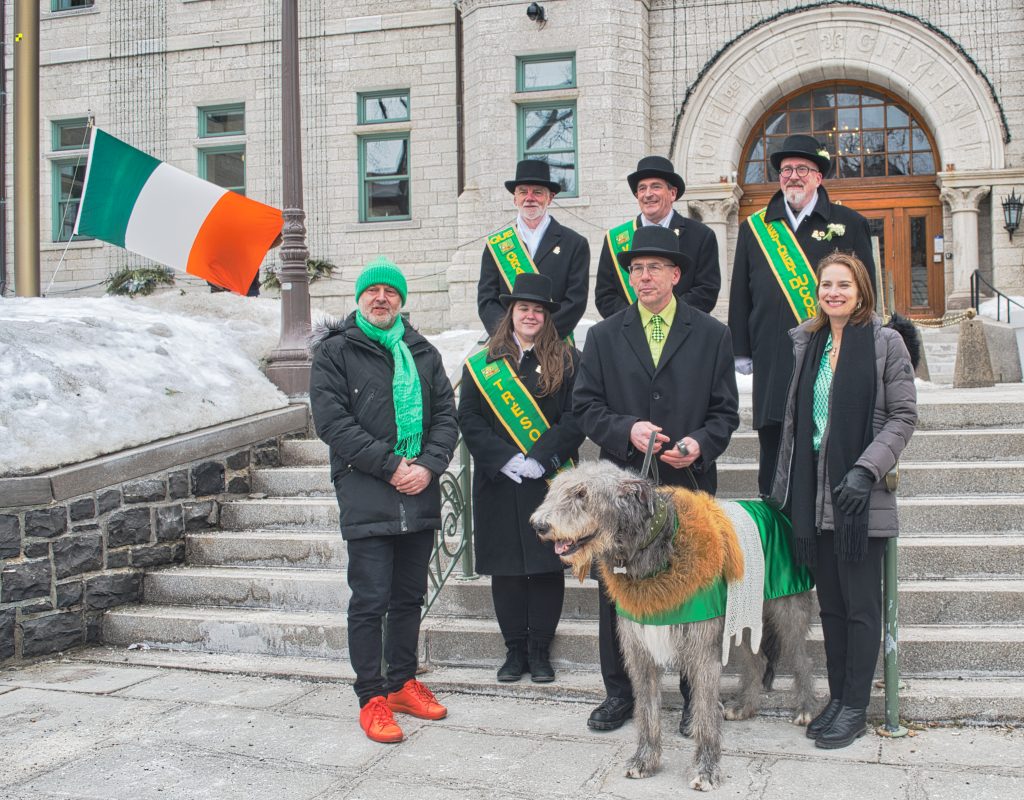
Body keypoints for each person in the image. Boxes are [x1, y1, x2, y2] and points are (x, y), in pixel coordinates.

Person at [574, 224, 740, 732]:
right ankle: (620, 692)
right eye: (636, 270)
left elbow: (725, 413)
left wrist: (698, 445)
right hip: (621, 493)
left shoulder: (711, 333)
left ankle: (696, 696)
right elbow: (585, 407)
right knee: (618, 591)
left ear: (675, 275)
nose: (644, 277)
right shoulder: (603, 335)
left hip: (686, 489)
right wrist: (628, 430)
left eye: (653, 269)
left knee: (693, 593)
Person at [769, 252, 917, 750]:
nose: (834, 292)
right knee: (830, 605)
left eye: (844, 285)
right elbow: (798, 422)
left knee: (859, 607)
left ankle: (855, 705)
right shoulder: (806, 342)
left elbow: (902, 417)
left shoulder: (885, 343)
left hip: (859, 495)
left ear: (861, 292)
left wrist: (865, 469)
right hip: (814, 493)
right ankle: (836, 698)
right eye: (827, 284)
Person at [309, 257, 458, 744]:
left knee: (408, 598)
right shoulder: (335, 352)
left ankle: (401, 683)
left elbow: (445, 419)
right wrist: (392, 465)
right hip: (367, 490)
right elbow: (333, 424)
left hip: (418, 493)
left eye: (390, 292)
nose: (381, 298)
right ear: (359, 298)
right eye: (372, 290)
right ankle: (371, 695)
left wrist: (429, 466)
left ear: (401, 301)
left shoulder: (423, 352)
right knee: (371, 600)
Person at [728, 134, 877, 496]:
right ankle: (778, 534)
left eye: (802, 169)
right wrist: (741, 350)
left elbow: (866, 294)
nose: (793, 176)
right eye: (786, 170)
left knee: (824, 443)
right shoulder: (755, 228)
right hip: (772, 356)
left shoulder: (849, 223)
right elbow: (740, 294)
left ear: (818, 176)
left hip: (830, 354)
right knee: (775, 448)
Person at [459, 273, 585, 684]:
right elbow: (470, 419)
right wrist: (505, 458)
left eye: (538, 310)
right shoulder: (483, 363)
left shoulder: (567, 359)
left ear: (547, 317)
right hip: (500, 481)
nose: (530, 315)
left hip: (549, 482)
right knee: (507, 570)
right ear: (510, 313)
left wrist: (541, 457)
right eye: (523, 308)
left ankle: (540, 652)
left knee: (546, 567)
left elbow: (576, 416)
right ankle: (514, 652)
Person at [595, 155, 721, 317]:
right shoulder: (615, 239)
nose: (648, 194)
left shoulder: (701, 236)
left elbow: (706, 291)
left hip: (684, 332)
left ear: (673, 193)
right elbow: (605, 295)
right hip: (628, 336)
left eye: (655, 187)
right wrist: (637, 322)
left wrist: (666, 318)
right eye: (642, 188)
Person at [478, 159, 590, 340]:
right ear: (515, 198)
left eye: (537, 192)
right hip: (509, 346)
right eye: (523, 192)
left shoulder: (575, 244)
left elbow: (575, 302)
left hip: (555, 344)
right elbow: (487, 299)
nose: (529, 198)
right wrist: (510, 338)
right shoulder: (497, 244)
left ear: (550, 198)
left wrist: (542, 337)